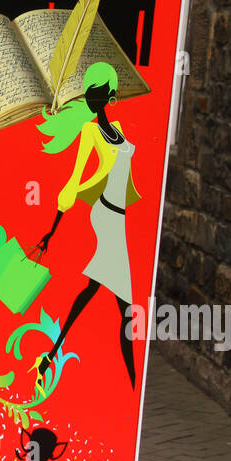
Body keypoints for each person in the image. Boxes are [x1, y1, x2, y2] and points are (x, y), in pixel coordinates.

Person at [34, 60, 140, 388]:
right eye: (89, 95)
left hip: (118, 218)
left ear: (108, 96)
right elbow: (73, 181)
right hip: (106, 216)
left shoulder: (118, 128)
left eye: (97, 94)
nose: (93, 99)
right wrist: (52, 230)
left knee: (95, 290)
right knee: (122, 305)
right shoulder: (90, 132)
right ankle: (130, 381)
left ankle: (49, 356)